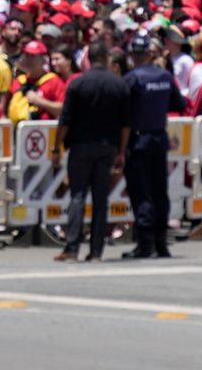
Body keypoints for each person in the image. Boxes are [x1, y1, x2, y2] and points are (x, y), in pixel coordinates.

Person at [55, 42, 130, 262]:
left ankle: (71, 247)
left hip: (80, 146)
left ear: (88, 59)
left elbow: (65, 120)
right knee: (100, 198)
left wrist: (56, 146)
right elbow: (126, 123)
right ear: (106, 58)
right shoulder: (119, 85)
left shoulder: (78, 84)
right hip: (107, 147)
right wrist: (122, 151)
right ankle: (96, 251)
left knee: (77, 195)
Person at [123, 33, 178, 260]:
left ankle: (146, 245)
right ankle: (161, 243)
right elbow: (178, 103)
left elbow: (122, 111)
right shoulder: (165, 76)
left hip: (138, 141)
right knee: (159, 192)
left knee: (141, 192)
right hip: (159, 138)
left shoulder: (132, 78)